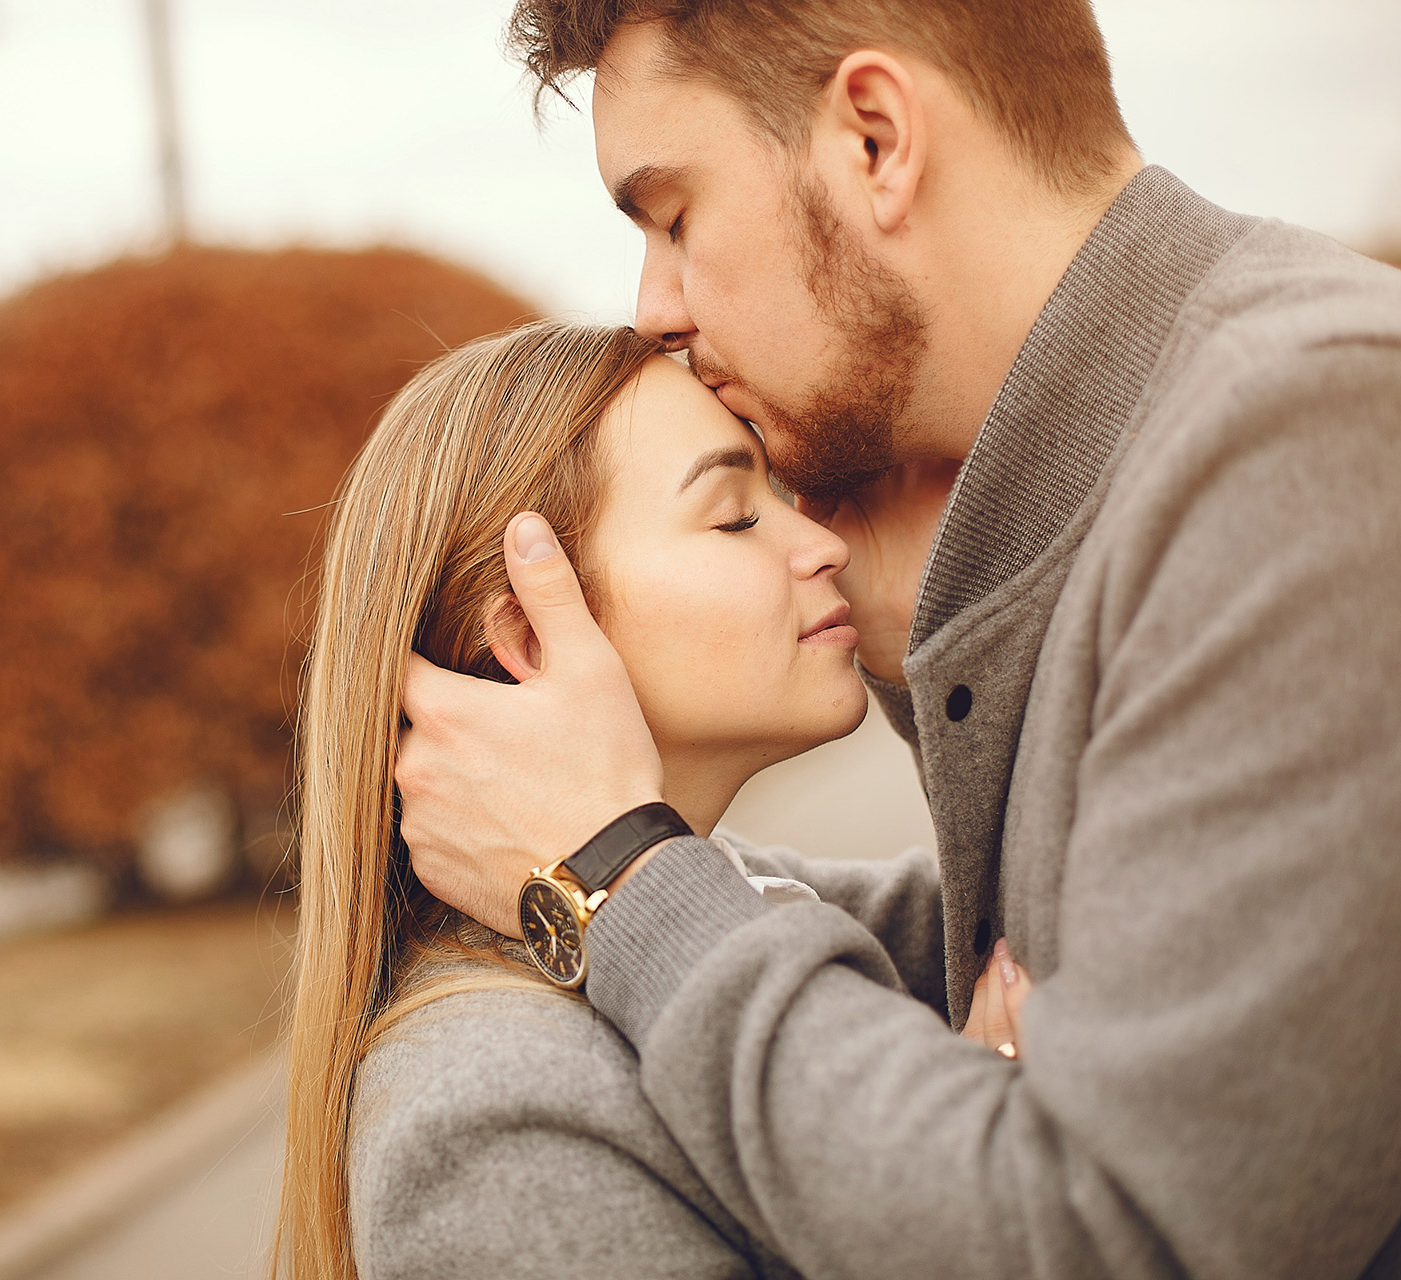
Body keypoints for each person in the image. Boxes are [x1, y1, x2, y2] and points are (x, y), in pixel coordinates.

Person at [394, 2, 1401, 1278]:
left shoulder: (1308, 434)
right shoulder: (1178, 444)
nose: (655, 304)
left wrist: (613, 878)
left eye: (675, 216)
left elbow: (1115, 1239)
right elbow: (1074, 921)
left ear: (876, 138)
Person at [274, 319, 959, 1279]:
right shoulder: (498, 1110)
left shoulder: (733, 894)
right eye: (734, 515)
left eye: (782, 495)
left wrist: (945, 617)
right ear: (528, 634)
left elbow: (1029, 903)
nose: (822, 544)